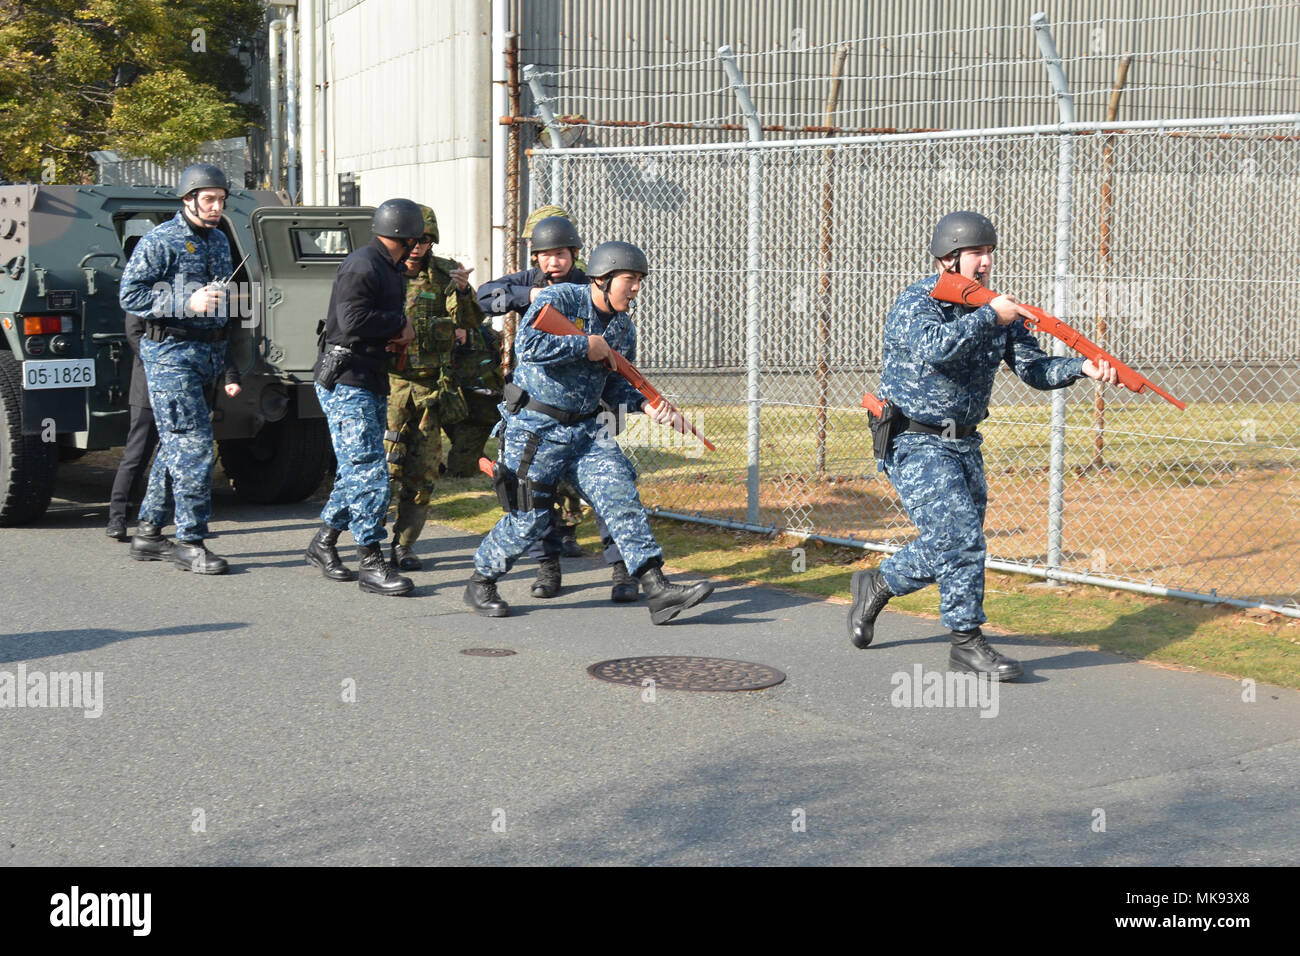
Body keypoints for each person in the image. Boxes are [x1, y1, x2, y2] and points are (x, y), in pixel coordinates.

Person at [847, 211, 1118, 680]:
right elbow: (937, 347)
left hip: (965, 444)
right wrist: (990, 317)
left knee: (952, 543)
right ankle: (966, 643)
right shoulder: (918, 301)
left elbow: (1033, 369)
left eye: (990, 253)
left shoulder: (996, 309)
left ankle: (877, 583)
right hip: (915, 439)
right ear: (950, 259)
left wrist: (1081, 368)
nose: (986, 262)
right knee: (961, 540)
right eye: (977, 253)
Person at [465, 241, 713, 625]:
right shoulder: (561, 298)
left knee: (619, 493)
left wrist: (648, 406)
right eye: (630, 279)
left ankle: (656, 588)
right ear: (603, 278)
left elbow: (613, 386)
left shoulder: (622, 327)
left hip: (586, 431)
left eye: (639, 281)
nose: (636, 289)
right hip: (535, 430)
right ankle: (481, 581)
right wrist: (585, 345)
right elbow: (529, 346)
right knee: (528, 517)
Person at [477, 210, 639, 603]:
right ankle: (547, 566)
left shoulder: (591, 284)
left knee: (610, 488)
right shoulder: (529, 284)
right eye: (546, 254)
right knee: (535, 492)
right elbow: (484, 296)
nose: (555, 262)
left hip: (596, 404)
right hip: (543, 410)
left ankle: (622, 569)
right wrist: (529, 297)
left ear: (576, 254)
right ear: (535, 257)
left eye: (562, 254)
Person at [117, 162, 242, 574]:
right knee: (195, 447)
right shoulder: (160, 240)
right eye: (209, 199)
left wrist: (229, 364)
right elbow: (130, 296)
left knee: (178, 447)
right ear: (188, 199)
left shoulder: (221, 241)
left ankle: (150, 532)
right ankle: (190, 541)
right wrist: (184, 303)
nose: (216, 206)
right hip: (171, 356)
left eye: (221, 200)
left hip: (207, 356)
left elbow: (227, 303)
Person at [305, 198, 418, 596]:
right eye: (418, 239)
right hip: (347, 379)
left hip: (368, 377)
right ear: (406, 236)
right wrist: (400, 323)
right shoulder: (364, 265)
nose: (420, 247)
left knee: (357, 468)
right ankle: (371, 561)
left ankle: (323, 541)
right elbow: (350, 322)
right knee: (369, 468)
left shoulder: (388, 268)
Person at [383, 203, 484, 571]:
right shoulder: (385, 272)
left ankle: (404, 545)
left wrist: (464, 291)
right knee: (386, 469)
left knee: (423, 475)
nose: (416, 247)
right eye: (410, 239)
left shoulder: (444, 274)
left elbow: (471, 323)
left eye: (424, 240)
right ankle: (370, 542)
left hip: (432, 391)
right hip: (393, 388)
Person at [105, 312, 159, 540]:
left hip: (183, 385)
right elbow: (134, 333)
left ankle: (158, 518)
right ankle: (118, 517)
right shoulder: (144, 287)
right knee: (137, 455)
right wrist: (162, 361)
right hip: (149, 384)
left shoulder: (185, 286)